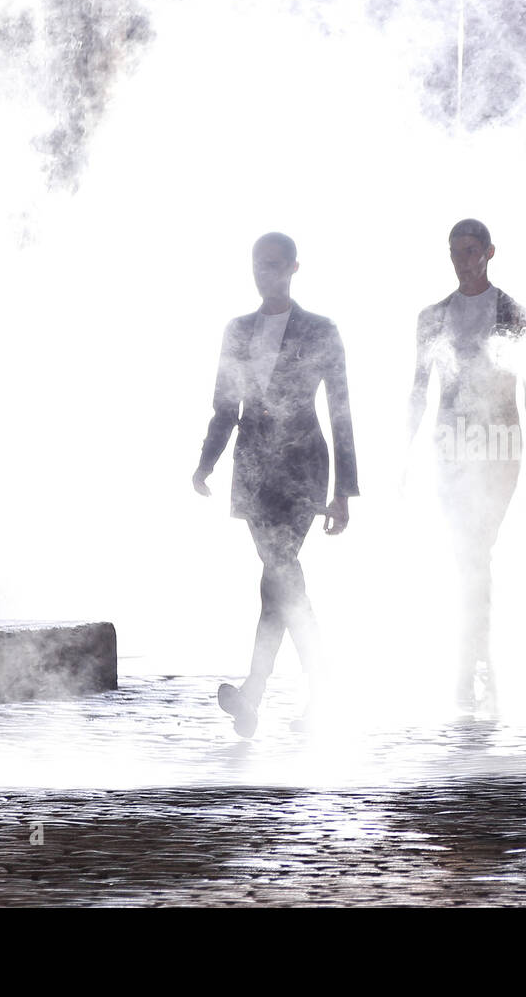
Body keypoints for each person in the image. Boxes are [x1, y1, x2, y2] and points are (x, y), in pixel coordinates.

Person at [193, 232, 358, 738]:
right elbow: (225, 404)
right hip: (253, 468)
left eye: (274, 265)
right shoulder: (237, 330)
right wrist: (206, 462)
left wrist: (343, 492)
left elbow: (341, 410)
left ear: (293, 268)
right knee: (281, 583)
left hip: (302, 465)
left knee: (280, 574)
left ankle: (258, 693)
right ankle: (313, 689)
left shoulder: (321, 330)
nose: (265, 274)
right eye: (257, 266)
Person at [406, 218, 526, 711]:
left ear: (489, 252)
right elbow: (419, 390)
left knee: (476, 547)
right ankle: (474, 660)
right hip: (450, 444)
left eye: (470, 251)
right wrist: (403, 453)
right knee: (466, 551)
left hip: (500, 445)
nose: (463, 261)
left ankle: (474, 665)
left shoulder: (514, 314)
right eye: (455, 252)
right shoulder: (432, 317)